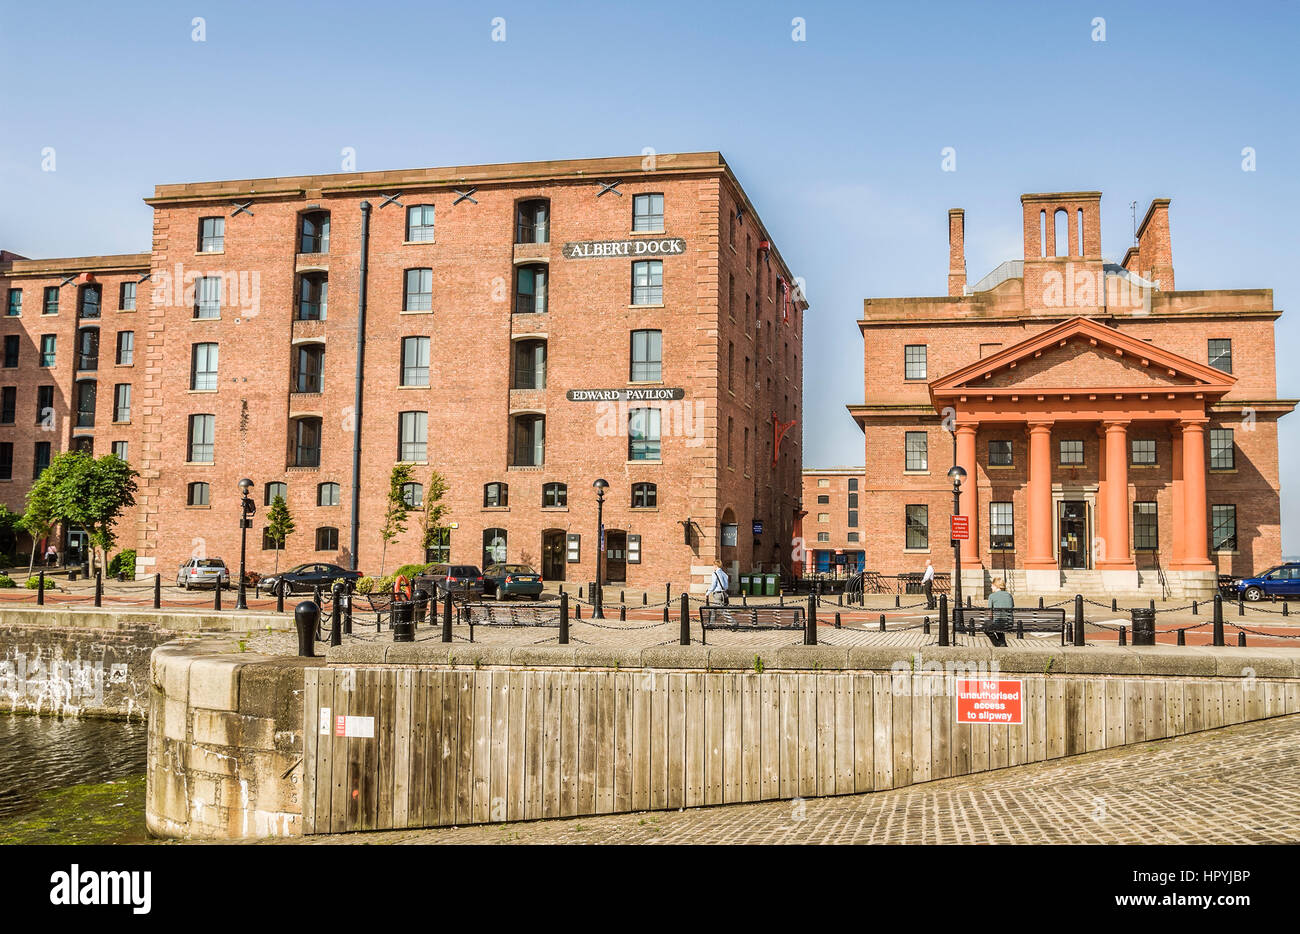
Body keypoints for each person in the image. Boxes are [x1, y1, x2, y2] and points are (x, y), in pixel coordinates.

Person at [986, 576, 1014, 647]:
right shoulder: (1009, 595)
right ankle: (1002, 643)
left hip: (999, 623)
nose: (991, 587)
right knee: (999, 622)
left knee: (986, 625)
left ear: (996, 586)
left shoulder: (992, 596)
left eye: (992, 585)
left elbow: (990, 614)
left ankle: (997, 644)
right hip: (1009, 623)